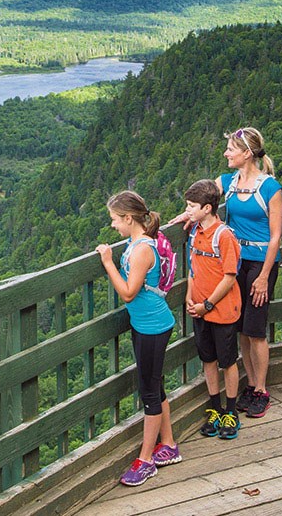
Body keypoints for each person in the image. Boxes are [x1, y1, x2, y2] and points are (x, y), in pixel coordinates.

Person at [95, 191, 181, 486]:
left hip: (153, 327)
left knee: (149, 392)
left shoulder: (142, 249)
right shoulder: (137, 242)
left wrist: (108, 262)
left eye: (115, 219)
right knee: (155, 385)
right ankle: (168, 444)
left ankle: (146, 461)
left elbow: (129, 292)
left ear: (129, 218)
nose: (113, 225)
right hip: (145, 324)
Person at [217, 127, 282, 419]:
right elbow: (203, 197)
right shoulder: (228, 182)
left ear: (246, 153)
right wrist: (186, 214)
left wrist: (264, 276)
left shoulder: (270, 188)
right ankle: (251, 383)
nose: (226, 154)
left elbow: (276, 236)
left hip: (259, 263)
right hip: (236, 262)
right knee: (242, 327)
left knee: (255, 330)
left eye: (231, 149)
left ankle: (261, 390)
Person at [180, 179, 243, 439]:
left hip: (221, 310)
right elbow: (193, 268)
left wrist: (207, 305)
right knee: (208, 359)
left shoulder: (223, 236)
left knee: (227, 361)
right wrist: (189, 295)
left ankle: (231, 411)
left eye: (192, 206)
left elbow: (230, 277)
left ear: (207, 208)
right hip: (199, 308)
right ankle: (215, 408)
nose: (188, 210)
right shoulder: (195, 231)